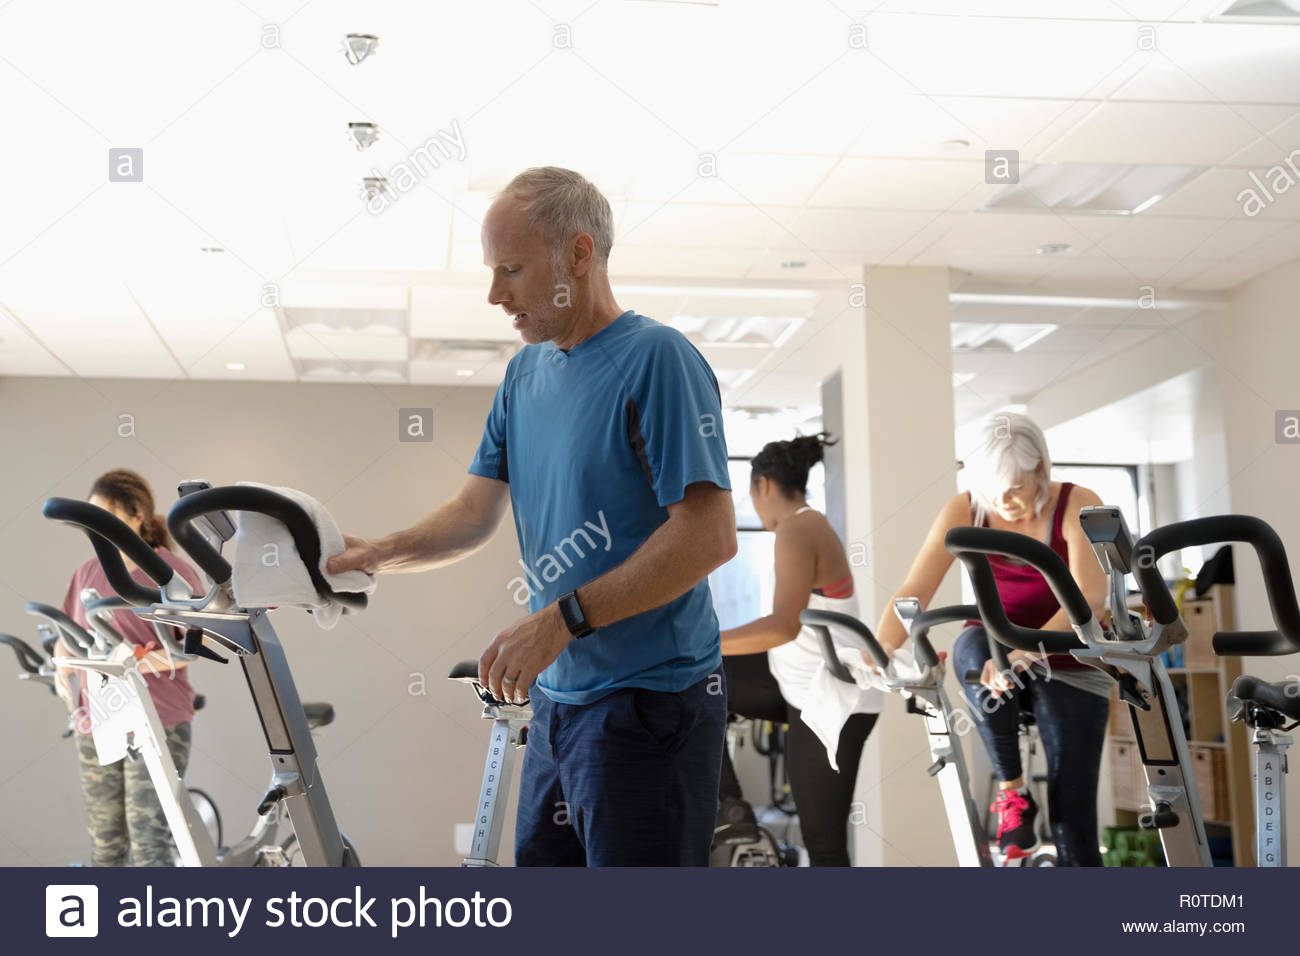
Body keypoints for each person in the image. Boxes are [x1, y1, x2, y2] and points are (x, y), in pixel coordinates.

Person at [327, 166, 737, 866]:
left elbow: (708, 535)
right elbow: (472, 513)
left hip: (650, 704)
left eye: (511, 269)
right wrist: (378, 553)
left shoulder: (656, 360)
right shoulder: (526, 374)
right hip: (559, 702)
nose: (495, 294)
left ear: (578, 255)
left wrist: (561, 619)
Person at [871, 413, 1112, 866]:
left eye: (1016, 487)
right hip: (995, 644)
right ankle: (1012, 792)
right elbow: (914, 591)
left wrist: (1028, 651)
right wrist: (883, 648)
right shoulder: (965, 508)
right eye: (991, 488)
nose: (1003, 500)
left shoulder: (1079, 503)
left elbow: (1090, 601)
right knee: (971, 647)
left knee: (1072, 819)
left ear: (1041, 468)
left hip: (1068, 651)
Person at [717, 433, 879, 867]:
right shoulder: (805, 525)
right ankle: (728, 809)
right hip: (794, 683)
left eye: (752, 495)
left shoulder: (798, 530)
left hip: (833, 696)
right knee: (699, 678)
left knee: (822, 842)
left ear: (764, 485)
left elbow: (784, 626)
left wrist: (705, 641)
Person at [55, 469, 204, 866]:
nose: (96, 526)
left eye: (105, 515)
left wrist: (133, 661)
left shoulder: (170, 572)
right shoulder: (87, 572)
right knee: (106, 847)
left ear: (137, 515)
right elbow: (67, 634)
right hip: (97, 721)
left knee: (148, 845)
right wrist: (62, 669)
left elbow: (199, 642)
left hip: (157, 721)